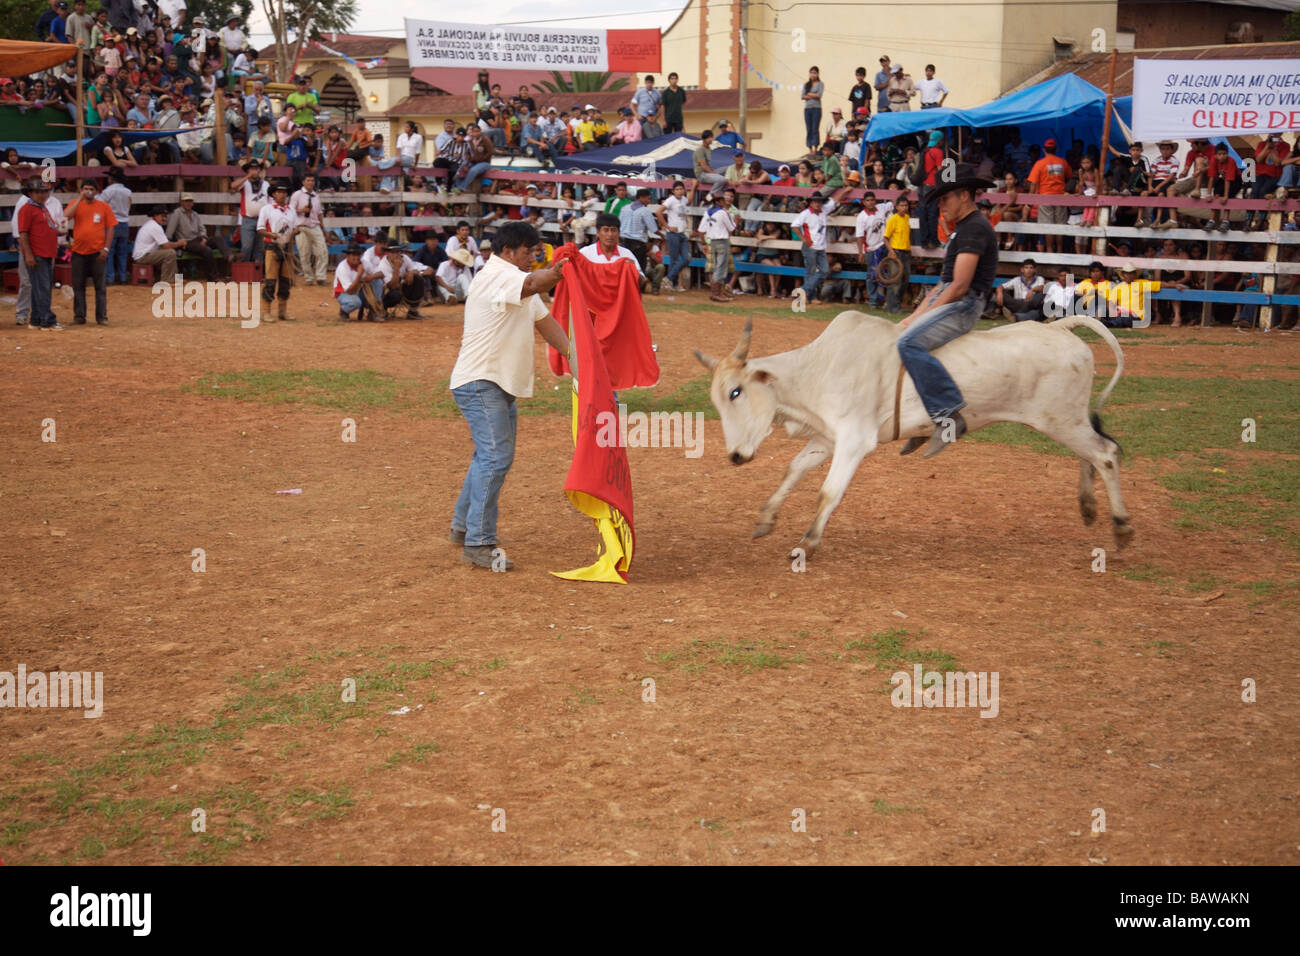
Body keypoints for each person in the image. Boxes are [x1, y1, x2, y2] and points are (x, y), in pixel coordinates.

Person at [448, 221, 569, 570]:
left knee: (488, 457)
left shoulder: (516, 284)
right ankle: (479, 542)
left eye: (535, 252)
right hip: (481, 382)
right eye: (529, 251)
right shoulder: (499, 275)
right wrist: (562, 271)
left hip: (493, 384)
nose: (532, 258)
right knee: (495, 457)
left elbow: (548, 326)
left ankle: (463, 526)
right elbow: (534, 282)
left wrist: (577, 358)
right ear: (507, 251)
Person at [895, 165, 998, 458]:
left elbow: (959, 287)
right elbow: (944, 283)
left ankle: (949, 414)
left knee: (908, 343)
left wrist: (916, 320)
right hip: (956, 300)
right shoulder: (964, 229)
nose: (941, 205)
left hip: (965, 305)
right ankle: (924, 422)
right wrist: (914, 316)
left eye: (945, 199)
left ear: (964, 196)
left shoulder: (974, 228)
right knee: (905, 336)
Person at [17, 181, 62, 330]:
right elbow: (23, 233)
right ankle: (47, 320)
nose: (42, 195)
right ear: (30, 194)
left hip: (46, 252)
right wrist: (29, 254)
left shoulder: (41, 208)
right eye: (38, 192)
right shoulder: (27, 209)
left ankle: (36, 319)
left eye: (44, 192)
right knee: (42, 288)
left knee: (40, 287)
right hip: (38, 253)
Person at [256, 181, 300, 321]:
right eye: (278, 192)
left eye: (283, 192)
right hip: (272, 247)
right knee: (270, 280)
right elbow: (260, 229)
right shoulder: (266, 209)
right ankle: (266, 311)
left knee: (285, 280)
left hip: (287, 247)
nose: (281, 194)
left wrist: (296, 231)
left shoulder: (291, 210)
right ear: (274, 194)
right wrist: (271, 235)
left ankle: (282, 310)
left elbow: (295, 226)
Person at [1026, 138, 1071, 255]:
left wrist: (1030, 199)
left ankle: (1050, 251)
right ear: (1056, 149)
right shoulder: (1063, 162)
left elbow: (1033, 183)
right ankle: (1060, 251)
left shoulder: (1040, 164)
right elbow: (1069, 177)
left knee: (1048, 226)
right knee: (1060, 226)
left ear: (1043, 150)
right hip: (1060, 197)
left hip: (1045, 197)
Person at [792, 191, 837, 304]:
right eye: (815, 201)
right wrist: (803, 238)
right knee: (812, 272)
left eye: (819, 201)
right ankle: (812, 297)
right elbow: (794, 226)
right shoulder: (806, 213)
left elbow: (835, 200)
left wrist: (845, 191)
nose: (817, 203)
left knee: (823, 271)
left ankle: (804, 291)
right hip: (810, 246)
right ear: (811, 203)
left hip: (820, 247)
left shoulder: (823, 211)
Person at [619, 189, 666, 292]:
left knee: (626, 265)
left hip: (624, 241)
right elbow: (653, 228)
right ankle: (639, 288)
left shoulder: (625, 209)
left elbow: (619, 224)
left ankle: (626, 287)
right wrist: (662, 235)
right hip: (638, 242)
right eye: (648, 198)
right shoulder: (645, 211)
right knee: (639, 266)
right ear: (642, 198)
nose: (649, 201)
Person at [166, 192, 220, 280]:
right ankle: (212, 277)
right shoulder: (177, 213)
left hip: (198, 239)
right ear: (182, 203)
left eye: (190, 201)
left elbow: (202, 229)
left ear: (193, 203)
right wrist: (173, 244)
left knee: (218, 239)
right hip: (187, 242)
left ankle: (229, 256)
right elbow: (170, 231)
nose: (188, 203)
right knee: (207, 250)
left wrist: (203, 238)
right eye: (186, 201)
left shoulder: (195, 214)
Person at [696, 189, 737, 302]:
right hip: (722, 241)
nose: (725, 201)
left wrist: (704, 243)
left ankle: (716, 292)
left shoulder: (707, 212)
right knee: (721, 267)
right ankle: (716, 293)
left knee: (716, 267)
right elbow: (732, 227)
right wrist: (736, 221)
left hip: (712, 242)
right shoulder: (723, 212)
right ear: (719, 201)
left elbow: (700, 230)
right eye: (723, 199)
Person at [855, 192, 892, 309]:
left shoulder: (881, 208)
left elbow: (894, 202)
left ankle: (885, 300)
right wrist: (860, 252)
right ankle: (872, 301)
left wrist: (902, 192)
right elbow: (859, 236)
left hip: (883, 246)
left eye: (872, 200)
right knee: (871, 275)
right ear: (864, 202)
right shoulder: (862, 216)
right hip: (870, 249)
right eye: (868, 200)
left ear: (875, 200)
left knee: (885, 274)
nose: (870, 202)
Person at [230, 159, 269, 264]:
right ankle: (242, 272)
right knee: (246, 247)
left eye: (256, 169)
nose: (254, 171)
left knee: (260, 248)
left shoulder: (265, 184)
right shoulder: (244, 182)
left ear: (259, 170)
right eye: (251, 169)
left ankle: (257, 273)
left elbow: (270, 200)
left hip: (262, 220)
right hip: (248, 219)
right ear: (248, 170)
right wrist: (248, 176)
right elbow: (233, 186)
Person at [99, 167, 132, 285]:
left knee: (109, 251)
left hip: (112, 223)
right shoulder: (128, 191)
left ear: (111, 179)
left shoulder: (109, 190)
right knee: (122, 252)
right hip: (124, 223)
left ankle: (110, 278)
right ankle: (123, 277)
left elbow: (99, 203)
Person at [132, 206, 182, 284]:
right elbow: (166, 245)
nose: (164, 219)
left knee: (169, 252)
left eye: (165, 216)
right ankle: (167, 280)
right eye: (162, 216)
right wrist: (179, 243)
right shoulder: (155, 227)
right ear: (155, 216)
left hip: (145, 254)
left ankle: (173, 278)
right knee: (170, 253)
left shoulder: (152, 224)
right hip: (143, 256)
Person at [662, 179, 692, 292]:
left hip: (681, 233)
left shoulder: (684, 199)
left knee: (686, 258)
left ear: (684, 190)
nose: (679, 191)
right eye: (677, 189)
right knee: (674, 259)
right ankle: (673, 284)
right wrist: (667, 226)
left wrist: (693, 188)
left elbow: (689, 200)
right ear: (673, 191)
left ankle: (668, 279)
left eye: (681, 189)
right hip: (673, 233)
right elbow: (659, 212)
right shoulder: (670, 200)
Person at [883, 197, 912, 312]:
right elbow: (885, 238)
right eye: (901, 205)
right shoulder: (893, 219)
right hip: (896, 252)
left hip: (905, 252)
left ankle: (897, 304)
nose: (904, 208)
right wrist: (891, 252)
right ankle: (892, 307)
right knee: (895, 280)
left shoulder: (907, 218)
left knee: (905, 279)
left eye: (906, 205)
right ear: (897, 207)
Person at [1206, 143, 1240, 232]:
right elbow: (1211, 178)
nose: (1222, 156)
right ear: (1216, 155)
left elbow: (1228, 180)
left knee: (1228, 197)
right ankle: (1211, 220)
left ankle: (1225, 221)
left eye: (1224, 154)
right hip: (1222, 179)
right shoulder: (1213, 160)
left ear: (1227, 154)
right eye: (1219, 154)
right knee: (1216, 195)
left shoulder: (1231, 161)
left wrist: (1225, 195)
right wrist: (1208, 194)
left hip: (1235, 180)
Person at [331, 243, 367, 320]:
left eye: (358, 255)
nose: (356, 257)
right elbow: (349, 291)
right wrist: (360, 275)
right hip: (343, 293)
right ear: (347, 256)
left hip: (357, 290)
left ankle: (374, 312)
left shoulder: (362, 263)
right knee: (356, 302)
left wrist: (370, 277)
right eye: (353, 255)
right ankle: (343, 311)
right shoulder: (342, 267)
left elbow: (375, 274)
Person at [801, 66, 823, 151]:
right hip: (807, 109)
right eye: (811, 73)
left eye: (815, 73)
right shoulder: (806, 84)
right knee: (808, 128)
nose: (813, 75)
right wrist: (813, 94)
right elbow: (802, 96)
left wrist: (809, 94)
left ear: (817, 74)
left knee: (815, 128)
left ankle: (815, 148)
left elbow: (819, 95)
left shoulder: (820, 84)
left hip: (816, 108)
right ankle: (809, 147)